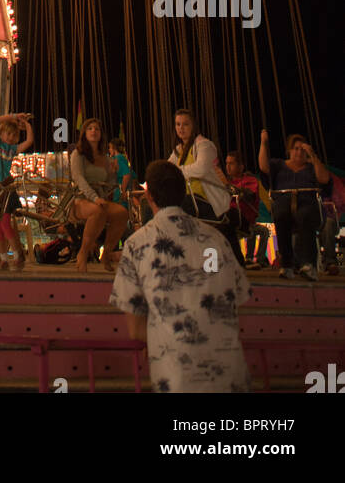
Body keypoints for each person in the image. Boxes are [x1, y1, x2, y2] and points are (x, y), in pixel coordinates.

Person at [109, 159, 252, 393]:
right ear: (184, 193)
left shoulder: (137, 244)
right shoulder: (214, 239)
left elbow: (135, 329)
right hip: (229, 374)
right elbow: (234, 298)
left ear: (150, 197)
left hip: (178, 376)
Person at [168, 109, 244, 265]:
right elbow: (166, 170)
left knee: (177, 207)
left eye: (185, 124)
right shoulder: (178, 151)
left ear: (193, 126)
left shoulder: (205, 145)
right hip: (191, 200)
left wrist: (177, 172)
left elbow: (201, 168)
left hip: (207, 202)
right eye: (178, 124)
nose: (181, 128)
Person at [258, 129, 331, 281]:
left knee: (304, 216)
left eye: (302, 150)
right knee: (281, 215)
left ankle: (308, 264)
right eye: (295, 149)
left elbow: (324, 179)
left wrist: (313, 156)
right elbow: (264, 166)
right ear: (289, 151)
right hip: (284, 202)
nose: (298, 152)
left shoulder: (311, 167)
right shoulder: (279, 165)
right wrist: (263, 143)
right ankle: (287, 264)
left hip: (307, 203)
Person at [69, 118, 128, 273]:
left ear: (101, 134)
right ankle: (83, 252)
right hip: (80, 199)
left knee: (122, 213)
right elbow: (78, 178)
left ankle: (107, 253)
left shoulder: (105, 158)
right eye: (90, 128)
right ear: (84, 133)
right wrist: (94, 198)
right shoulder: (78, 154)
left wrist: (113, 173)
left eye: (97, 129)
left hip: (100, 200)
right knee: (97, 211)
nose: (94, 131)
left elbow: (109, 185)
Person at [0, 112, 34, 270]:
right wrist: (14, 116)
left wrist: (26, 124)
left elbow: (29, 141)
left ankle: (17, 254)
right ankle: (3, 258)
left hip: (5, 188)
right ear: (1, 133)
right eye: (7, 133)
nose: (10, 137)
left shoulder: (12, 149)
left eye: (13, 134)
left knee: (4, 222)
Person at [225, 151, 268, 269]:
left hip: (245, 220)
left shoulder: (250, 180)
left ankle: (256, 259)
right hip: (229, 219)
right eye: (226, 163)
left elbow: (250, 195)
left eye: (231, 163)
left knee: (260, 231)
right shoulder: (225, 183)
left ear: (241, 166)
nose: (228, 167)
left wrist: (231, 188)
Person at [108, 138, 135, 209]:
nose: (109, 150)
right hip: (127, 190)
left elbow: (127, 174)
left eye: (110, 148)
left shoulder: (117, 158)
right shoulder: (123, 158)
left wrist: (122, 191)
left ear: (114, 148)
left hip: (121, 192)